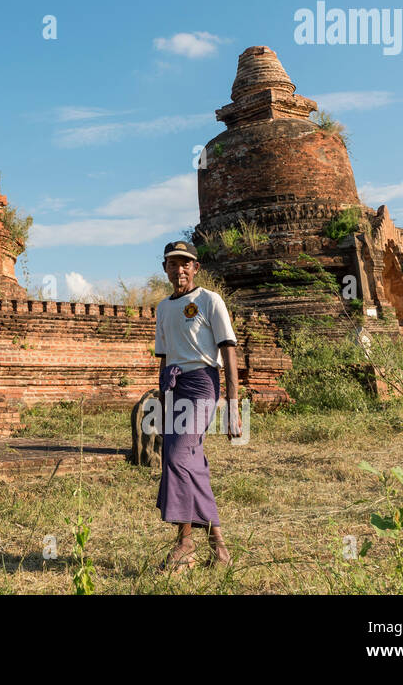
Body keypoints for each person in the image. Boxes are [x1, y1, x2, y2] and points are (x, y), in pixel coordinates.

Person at [152, 240, 242, 572]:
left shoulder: (209, 300)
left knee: (177, 457)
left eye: (185, 263)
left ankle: (185, 545)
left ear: (196, 268)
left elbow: (229, 351)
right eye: (173, 264)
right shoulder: (163, 308)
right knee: (191, 463)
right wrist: (162, 400)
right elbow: (163, 358)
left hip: (203, 383)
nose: (180, 270)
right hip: (174, 386)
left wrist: (233, 404)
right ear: (165, 269)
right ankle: (219, 548)